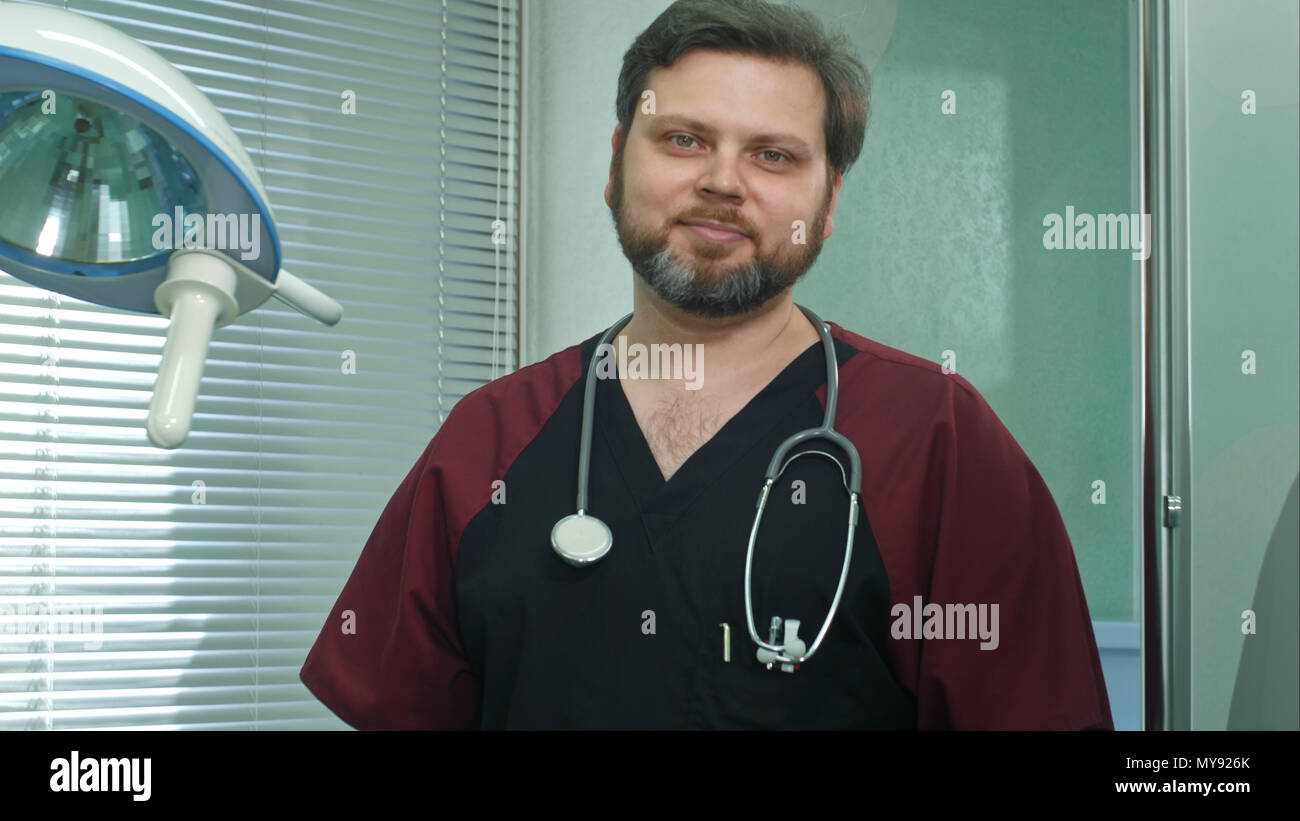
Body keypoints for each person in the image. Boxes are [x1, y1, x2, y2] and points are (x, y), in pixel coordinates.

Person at [299, 0, 1114, 730]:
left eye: (774, 156)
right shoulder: (489, 440)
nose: (723, 181)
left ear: (828, 204)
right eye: (684, 139)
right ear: (618, 165)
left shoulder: (939, 441)